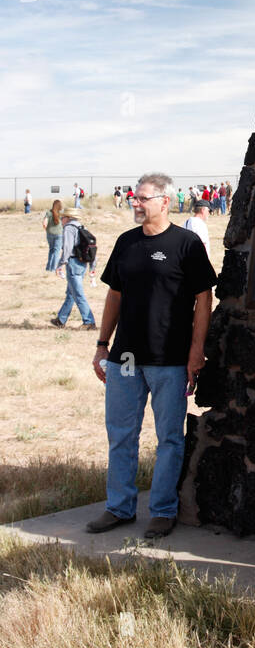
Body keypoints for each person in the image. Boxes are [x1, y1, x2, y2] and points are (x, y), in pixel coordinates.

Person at [87, 174, 217, 540]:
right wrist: (102, 344)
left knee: (169, 438)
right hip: (125, 360)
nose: (136, 203)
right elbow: (115, 294)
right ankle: (119, 507)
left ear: (164, 201)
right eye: (134, 198)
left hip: (170, 360)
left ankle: (161, 511)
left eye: (142, 198)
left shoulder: (186, 244)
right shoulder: (126, 243)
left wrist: (196, 351)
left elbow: (203, 299)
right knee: (121, 435)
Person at [50, 212, 97, 329]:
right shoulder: (81, 227)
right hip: (82, 263)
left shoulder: (69, 228)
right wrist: (92, 266)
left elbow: (67, 248)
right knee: (71, 293)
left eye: (62, 217)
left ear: (67, 218)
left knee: (78, 294)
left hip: (73, 263)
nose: (61, 220)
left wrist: (61, 263)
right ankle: (61, 319)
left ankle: (89, 321)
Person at [42, 198, 64, 272]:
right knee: (57, 251)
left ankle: (48, 268)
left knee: (51, 250)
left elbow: (44, 223)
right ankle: (53, 268)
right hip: (59, 234)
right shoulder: (61, 213)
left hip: (50, 234)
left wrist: (47, 230)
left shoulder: (48, 212)